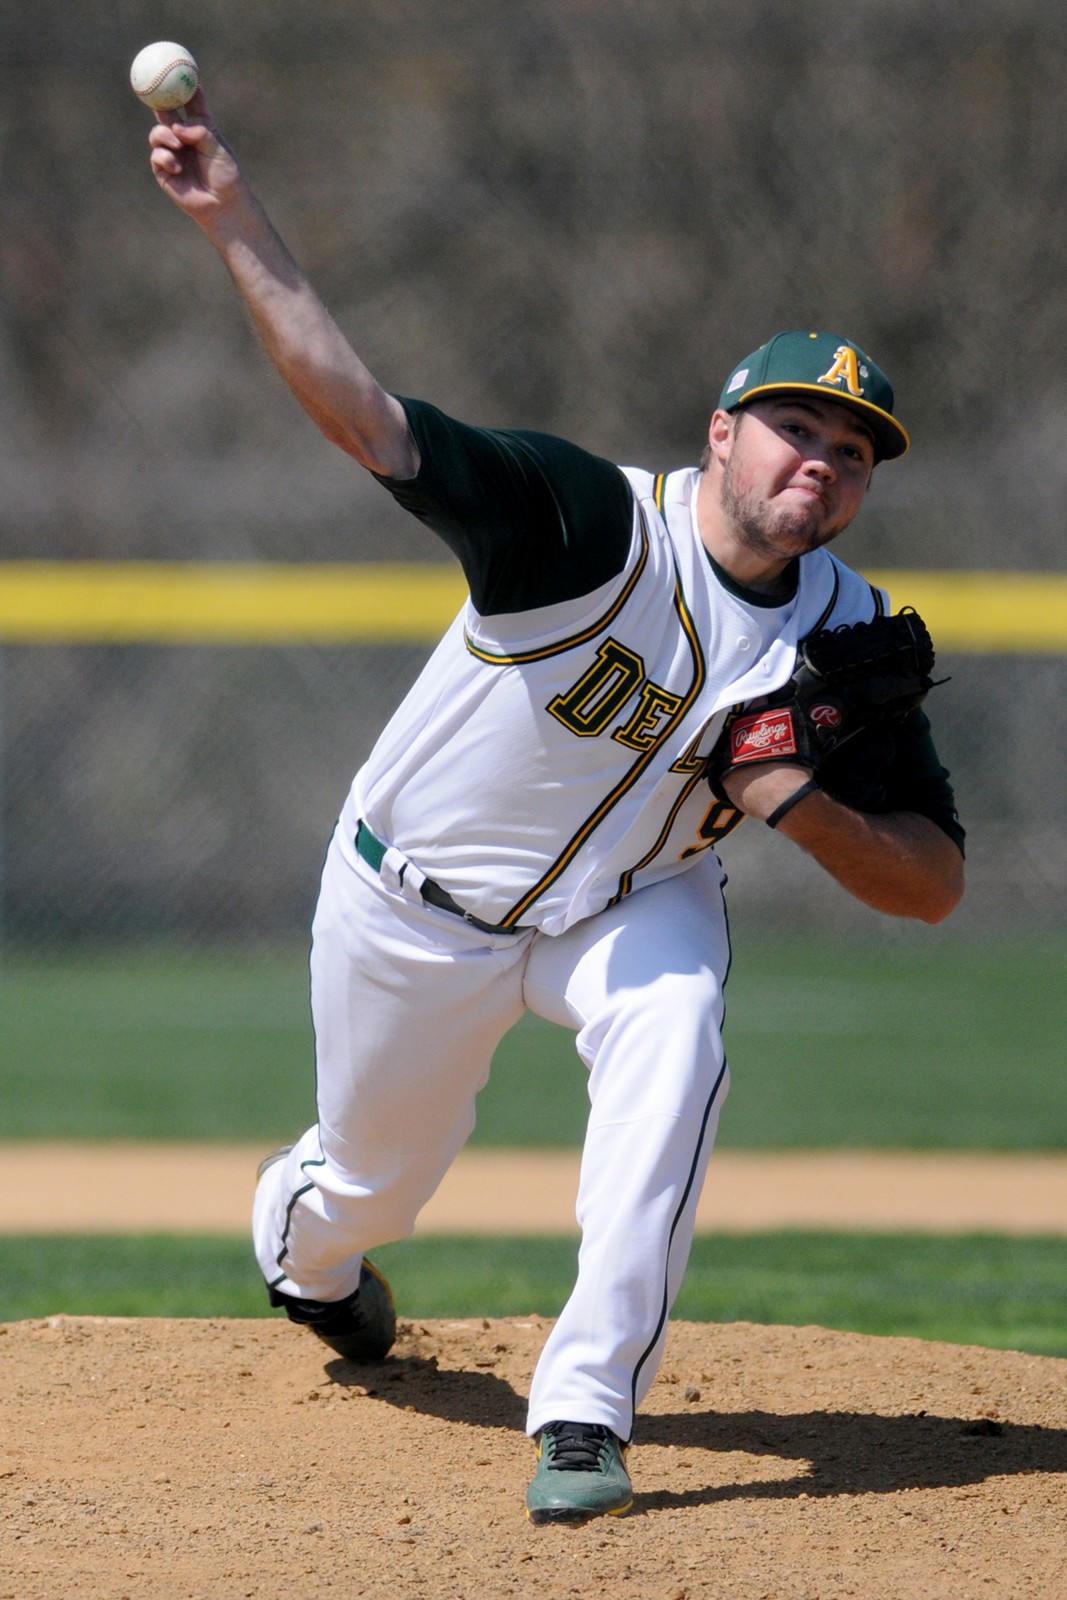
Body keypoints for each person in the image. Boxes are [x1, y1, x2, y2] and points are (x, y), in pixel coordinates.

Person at [147, 88, 964, 1526]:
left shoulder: (855, 637)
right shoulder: (585, 525)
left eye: (853, 450)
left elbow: (932, 884)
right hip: (418, 902)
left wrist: (791, 801)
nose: (821, 462)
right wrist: (234, 223)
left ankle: (586, 1407)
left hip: (637, 902)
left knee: (679, 1032)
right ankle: (308, 1246)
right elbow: (365, 416)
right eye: (793, 427)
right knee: (372, 1183)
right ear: (721, 434)